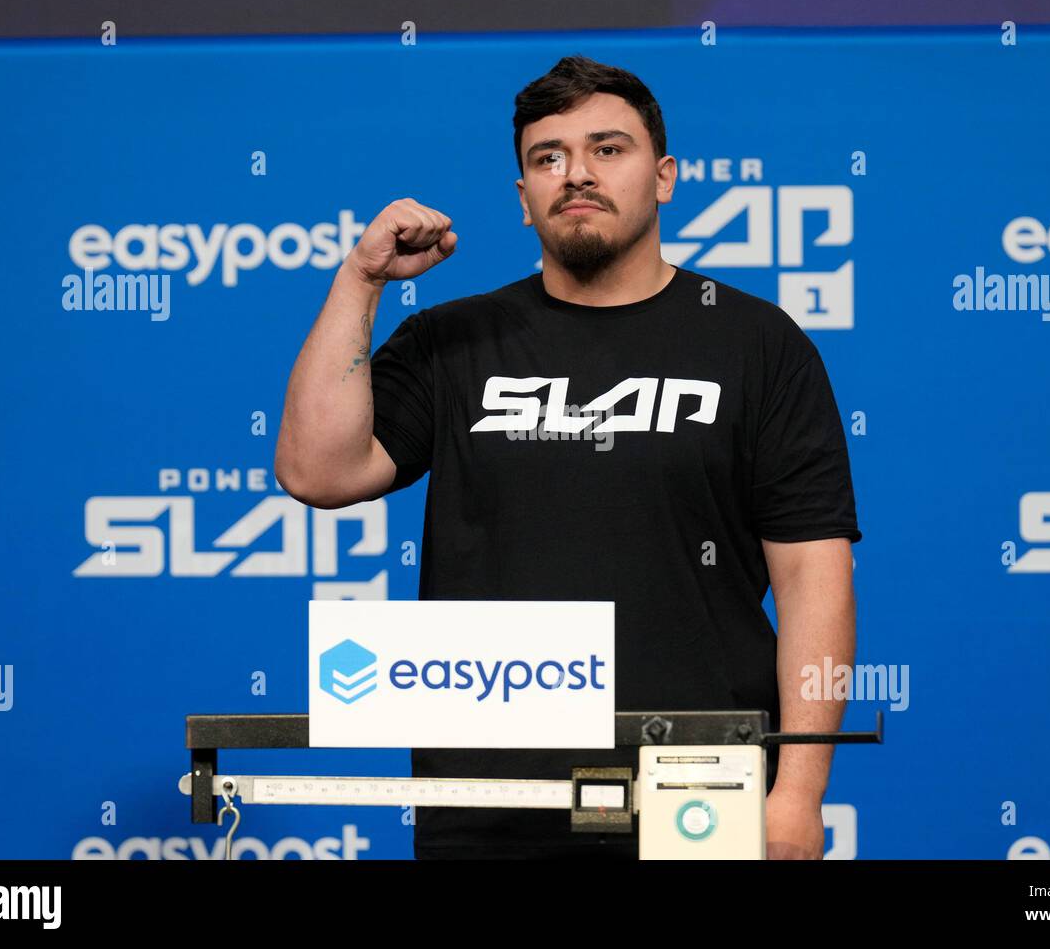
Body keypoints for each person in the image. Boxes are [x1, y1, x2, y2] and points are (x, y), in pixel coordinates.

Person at [274, 55, 861, 860]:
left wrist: (799, 790)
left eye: (607, 149)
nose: (575, 174)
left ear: (664, 177)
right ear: (523, 199)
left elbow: (812, 576)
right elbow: (317, 471)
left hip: (698, 782)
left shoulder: (757, 343)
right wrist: (361, 277)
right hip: (488, 793)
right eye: (547, 158)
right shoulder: (455, 340)